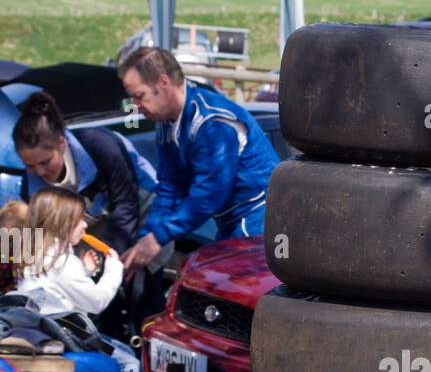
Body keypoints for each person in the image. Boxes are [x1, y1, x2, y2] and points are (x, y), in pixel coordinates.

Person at [118, 47, 278, 275]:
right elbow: (170, 187)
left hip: (258, 224)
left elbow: (209, 194)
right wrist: (146, 240)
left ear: (164, 84)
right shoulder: (167, 123)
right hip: (230, 224)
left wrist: (157, 239)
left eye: (139, 96)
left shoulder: (212, 122)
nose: (135, 106)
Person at [13, 91, 156, 256]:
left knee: (134, 271)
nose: (39, 171)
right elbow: (37, 234)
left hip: (142, 208)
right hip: (96, 221)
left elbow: (125, 206)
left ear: (61, 142)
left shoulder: (101, 147)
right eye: (30, 166)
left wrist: (108, 261)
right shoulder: (30, 187)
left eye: (45, 162)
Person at [17, 189, 123, 317]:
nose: (85, 225)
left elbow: (61, 288)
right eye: (80, 219)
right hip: (56, 332)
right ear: (61, 222)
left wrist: (84, 271)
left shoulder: (33, 253)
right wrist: (114, 267)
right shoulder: (61, 262)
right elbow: (96, 302)